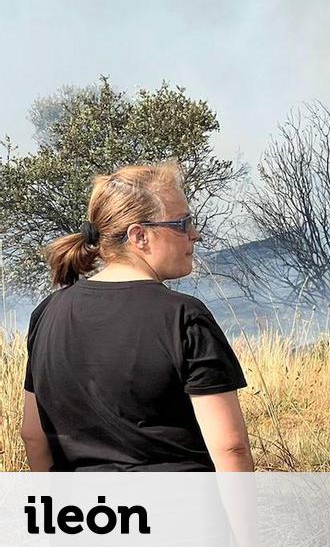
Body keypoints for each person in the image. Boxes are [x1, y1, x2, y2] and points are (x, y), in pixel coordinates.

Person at [19, 161, 254, 472]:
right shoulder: (184, 317)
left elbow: (33, 436)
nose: (194, 235)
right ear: (139, 236)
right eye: (182, 224)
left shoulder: (46, 314)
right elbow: (230, 448)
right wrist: (243, 523)